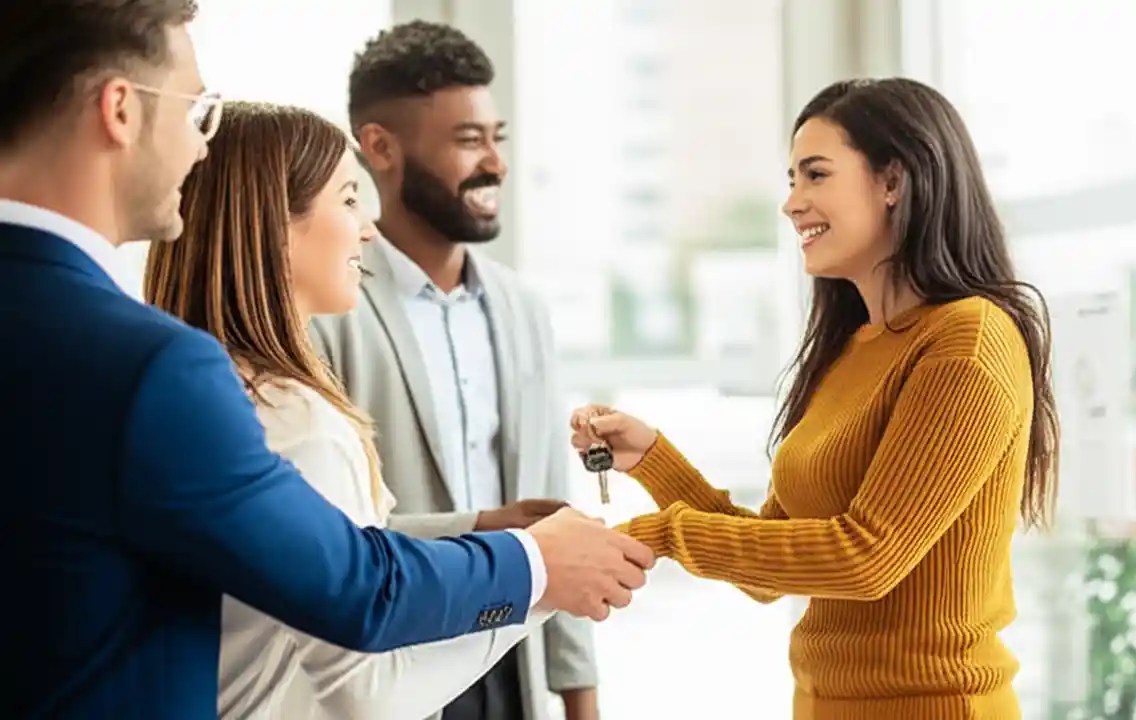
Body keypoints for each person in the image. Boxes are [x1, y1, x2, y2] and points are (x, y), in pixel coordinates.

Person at [0, 3, 652, 718]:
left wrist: (490, 531)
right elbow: (352, 590)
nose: (199, 149)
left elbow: (310, 544)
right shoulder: (159, 371)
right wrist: (542, 570)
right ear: (120, 110)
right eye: (195, 111)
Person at [570, 78, 1061, 720]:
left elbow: (866, 558)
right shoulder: (854, 346)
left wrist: (664, 534)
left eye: (816, 174)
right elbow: (771, 562)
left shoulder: (967, 340)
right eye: (791, 179)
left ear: (893, 180)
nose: (791, 203)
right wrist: (653, 460)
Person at [144, 100, 559, 719]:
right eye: (347, 199)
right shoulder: (298, 424)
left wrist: (482, 527)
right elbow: (368, 693)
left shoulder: (195, 400)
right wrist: (546, 583)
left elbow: (338, 555)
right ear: (273, 226)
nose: (369, 228)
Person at [311, 22, 598, 720]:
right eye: (469, 140)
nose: (496, 163)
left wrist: (581, 700)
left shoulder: (523, 309)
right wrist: (487, 531)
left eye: (498, 137)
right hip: (391, 672)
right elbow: (329, 539)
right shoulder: (325, 314)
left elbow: (553, 508)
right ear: (381, 148)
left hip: (514, 667)